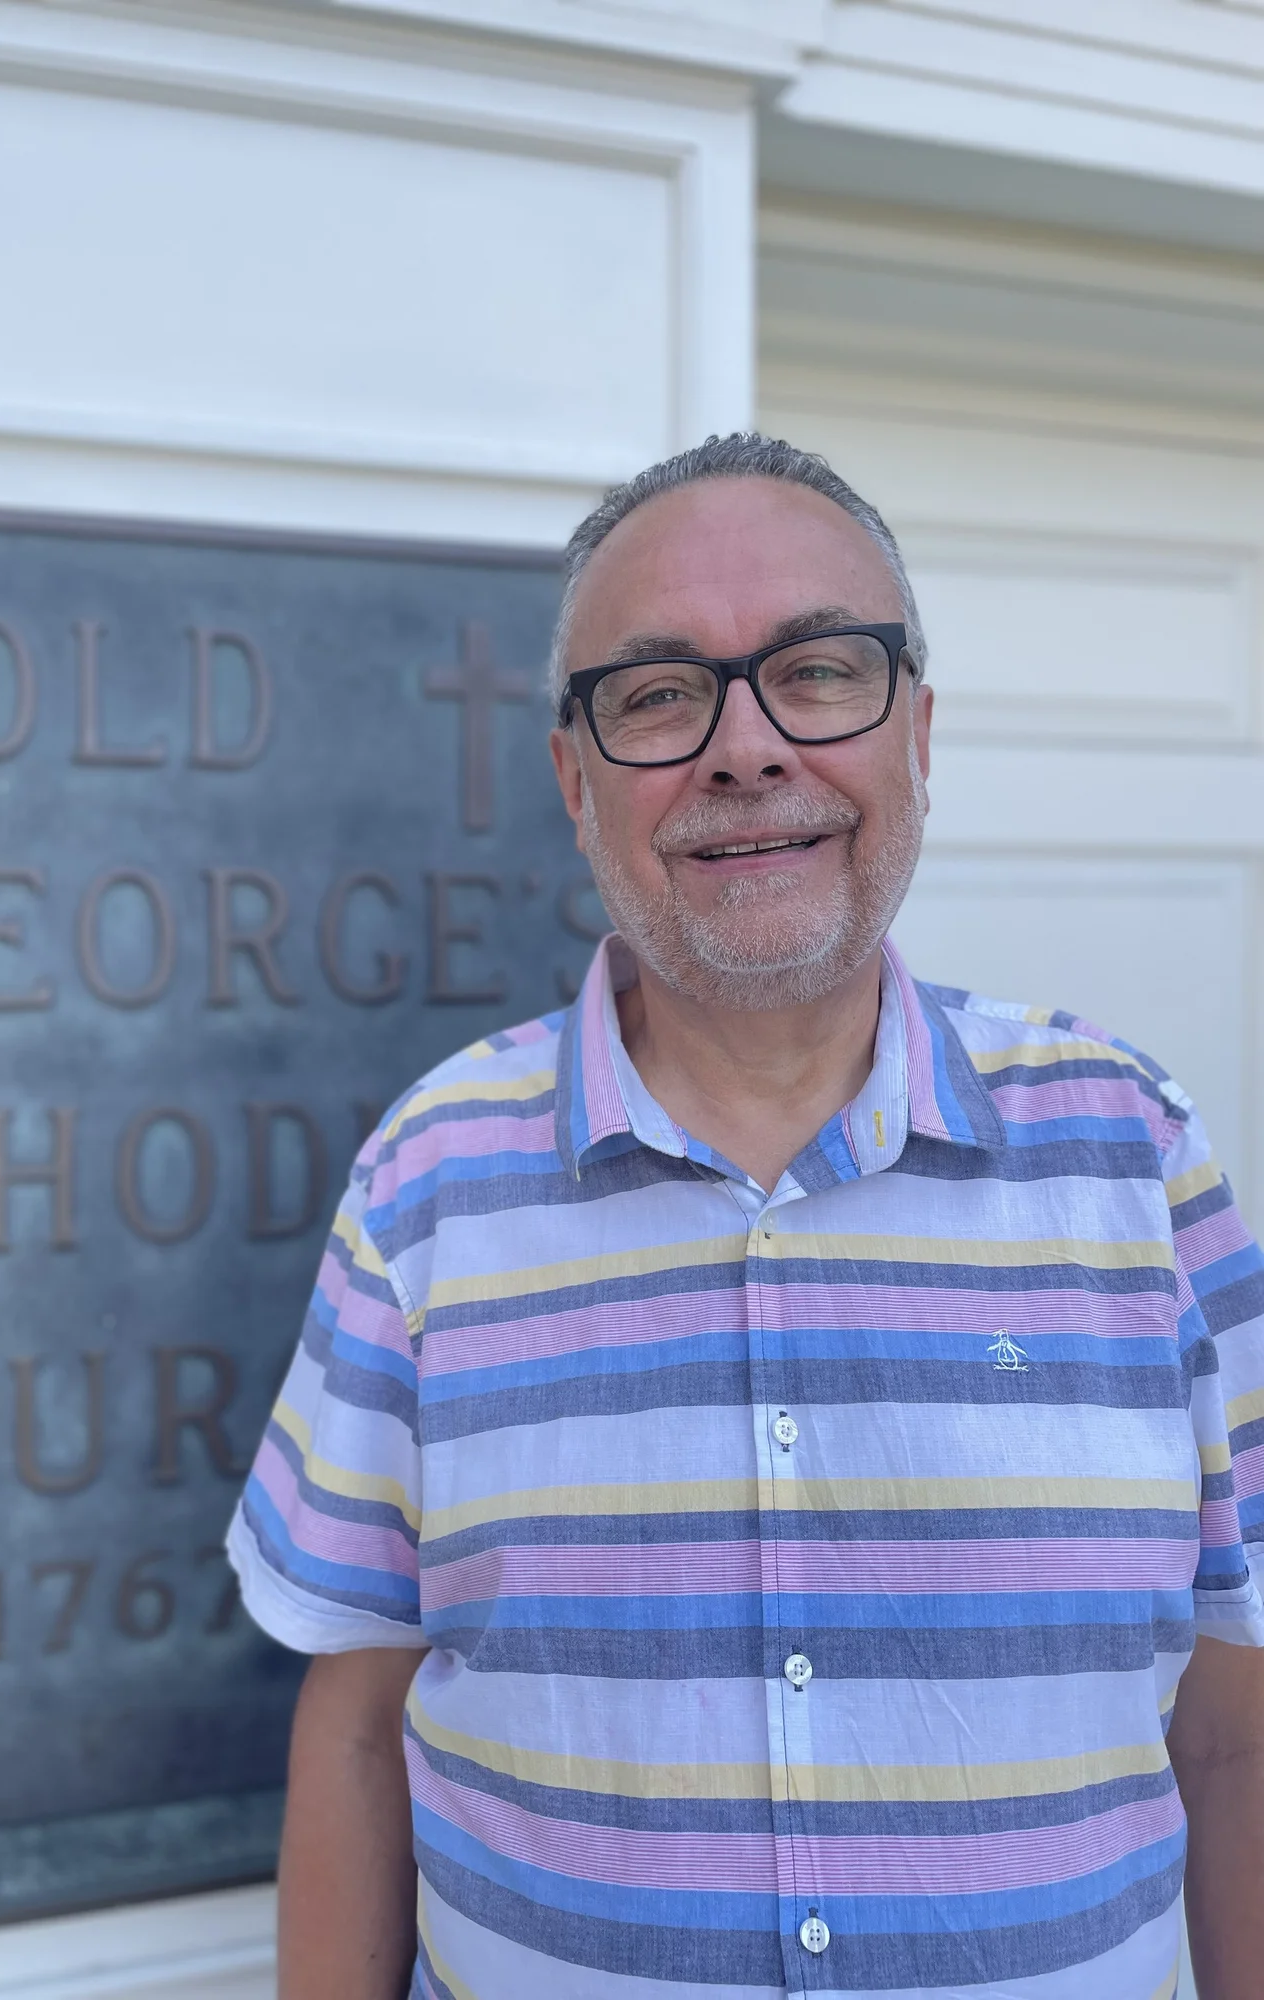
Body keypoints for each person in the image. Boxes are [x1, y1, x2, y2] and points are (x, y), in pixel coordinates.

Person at [226, 434, 1264, 2000]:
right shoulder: (427, 1183)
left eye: (819, 672)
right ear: (577, 784)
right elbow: (361, 1727)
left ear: (918, 732)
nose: (747, 749)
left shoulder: (1141, 1157)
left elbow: (1236, 1731)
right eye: (658, 695)